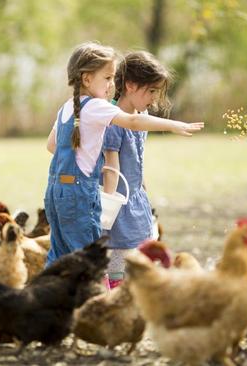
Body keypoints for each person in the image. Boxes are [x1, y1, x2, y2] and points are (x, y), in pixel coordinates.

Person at [44, 42, 203, 266]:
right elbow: (133, 121)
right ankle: (99, 296)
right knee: (90, 262)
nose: (112, 84)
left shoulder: (67, 106)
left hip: (55, 192)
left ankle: (50, 295)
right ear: (87, 79)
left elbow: (52, 146)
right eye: (107, 78)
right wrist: (174, 124)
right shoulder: (97, 106)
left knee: (59, 257)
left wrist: (83, 158)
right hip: (80, 196)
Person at [102, 51, 171, 288]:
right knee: (118, 271)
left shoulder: (142, 116)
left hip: (137, 204)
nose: (154, 98)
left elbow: (137, 162)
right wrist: (104, 218)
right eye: (151, 91)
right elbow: (111, 170)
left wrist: (142, 188)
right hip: (118, 209)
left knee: (143, 271)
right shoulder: (113, 122)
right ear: (130, 85)